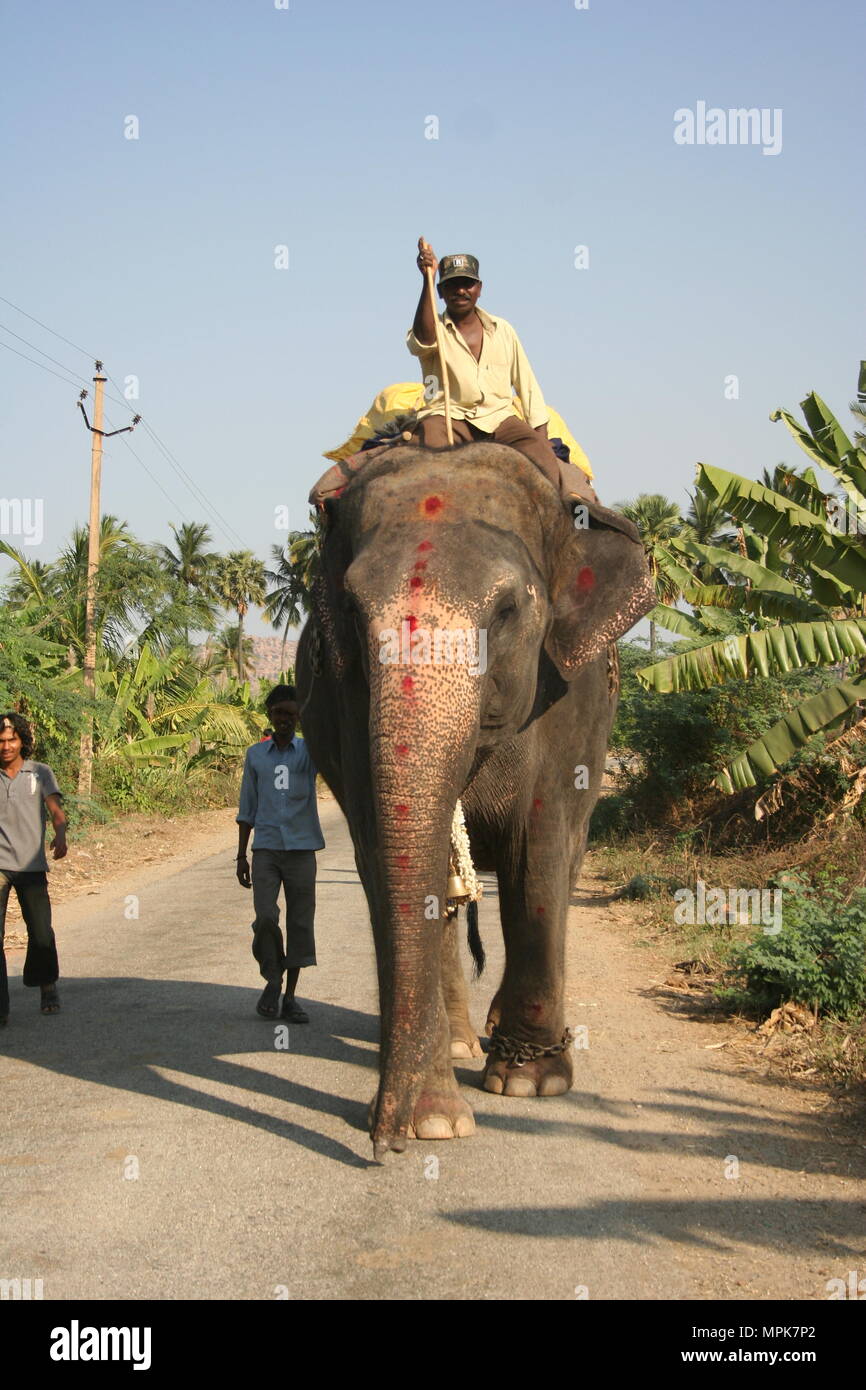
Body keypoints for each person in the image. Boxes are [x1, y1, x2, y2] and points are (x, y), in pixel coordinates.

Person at [408, 240, 597, 505]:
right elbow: (423, 341)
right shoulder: (433, 327)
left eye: (467, 284)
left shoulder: (503, 329)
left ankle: (561, 530)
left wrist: (540, 441)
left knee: (544, 463)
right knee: (429, 466)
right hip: (448, 416)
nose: (460, 290)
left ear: (479, 289)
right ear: (440, 291)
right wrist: (426, 281)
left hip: (499, 418)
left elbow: (527, 384)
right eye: (451, 285)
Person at [236, 685, 324, 1023]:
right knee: (266, 918)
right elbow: (247, 807)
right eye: (279, 713)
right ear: (269, 715)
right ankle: (273, 978)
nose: (285, 719)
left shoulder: (310, 752)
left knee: (300, 924)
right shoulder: (256, 756)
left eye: (291, 713)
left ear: (299, 716)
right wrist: (241, 855)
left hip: (302, 850)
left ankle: (289, 997)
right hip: (266, 851)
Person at [0, 712, 67, 1024]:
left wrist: (61, 834)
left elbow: (55, 809)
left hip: (31, 864)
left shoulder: (39, 772)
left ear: (22, 741)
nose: (5, 746)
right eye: (0, 741)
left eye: (11, 739)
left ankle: (47, 985)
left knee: (40, 932)